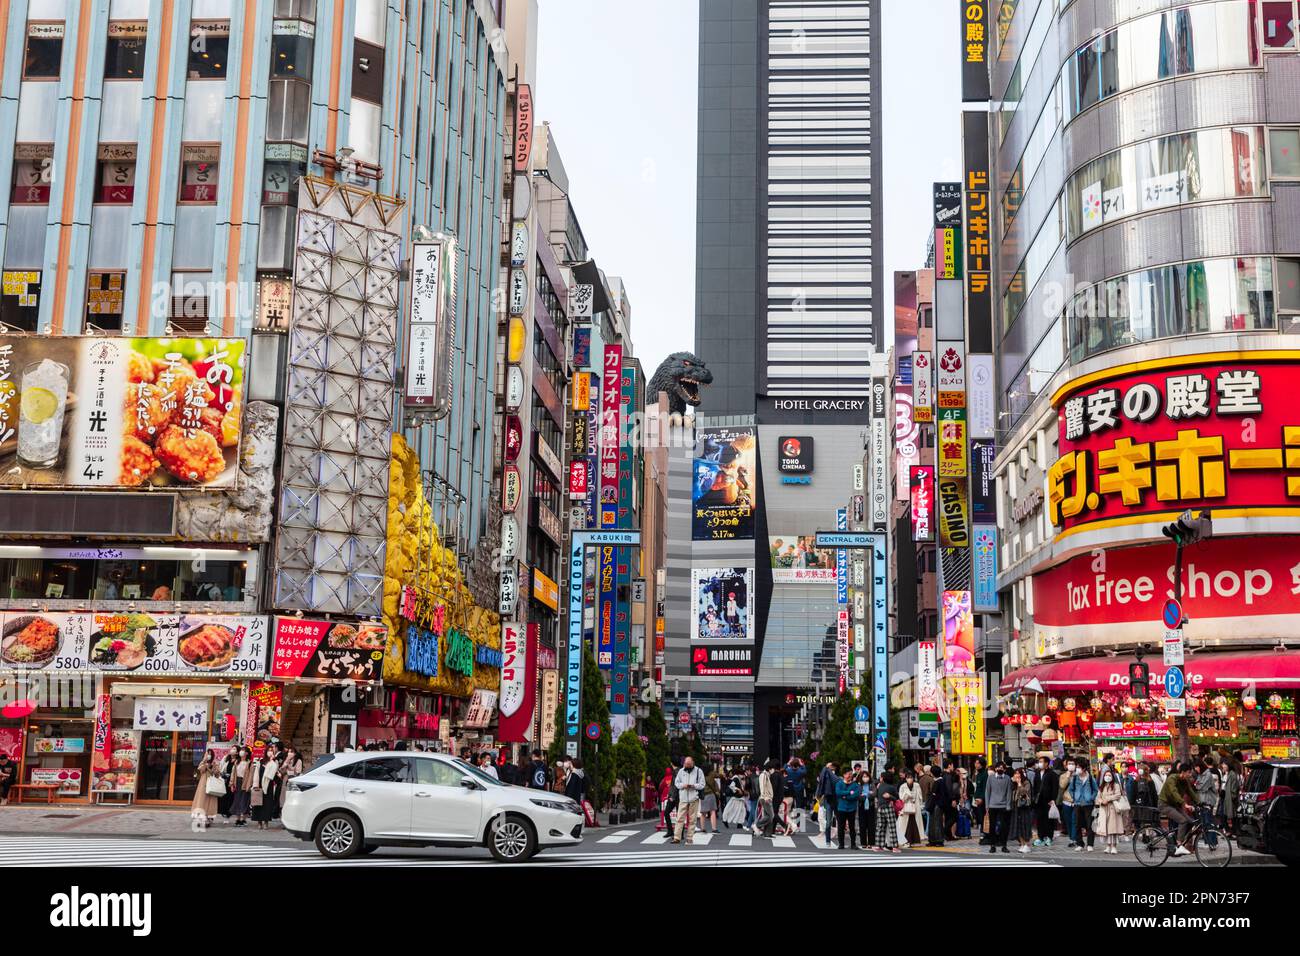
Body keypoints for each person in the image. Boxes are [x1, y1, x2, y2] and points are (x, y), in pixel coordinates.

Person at [1159, 761, 1198, 856]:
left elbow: (1191, 792)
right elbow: (1174, 792)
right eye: (1189, 772)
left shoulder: (1185, 781)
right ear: (1183, 772)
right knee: (1183, 821)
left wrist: (1200, 803)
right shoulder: (1172, 778)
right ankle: (1179, 845)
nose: (1190, 774)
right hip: (1165, 804)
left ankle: (1175, 841)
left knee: (1191, 822)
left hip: (1175, 805)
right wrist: (1184, 804)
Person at [673, 757, 705, 844]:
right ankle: (677, 837)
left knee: (692, 819)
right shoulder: (681, 771)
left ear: (693, 763)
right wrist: (683, 785)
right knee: (679, 818)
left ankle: (689, 838)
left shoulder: (699, 771)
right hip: (683, 798)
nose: (687, 766)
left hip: (694, 798)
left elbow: (702, 784)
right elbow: (676, 783)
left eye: (689, 764)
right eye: (686, 764)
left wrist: (693, 786)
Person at [1069, 759, 1098, 852]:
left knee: (1089, 825)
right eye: (1076, 767)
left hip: (1088, 804)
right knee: (1077, 824)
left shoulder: (1090, 778)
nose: (1077, 769)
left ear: (1084, 768)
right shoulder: (1074, 778)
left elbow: (1095, 790)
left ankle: (1090, 844)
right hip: (1077, 804)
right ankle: (1080, 843)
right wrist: (1074, 797)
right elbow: (1071, 789)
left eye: (1078, 767)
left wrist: (1091, 798)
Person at [1095, 767, 1126, 854]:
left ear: (1112, 777)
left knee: (1113, 828)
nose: (1107, 777)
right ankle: (1108, 846)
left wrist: (1107, 799)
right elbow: (1098, 797)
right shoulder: (1102, 786)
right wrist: (1101, 801)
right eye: (1106, 775)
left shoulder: (1116, 785)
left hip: (1113, 809)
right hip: (1104, 809)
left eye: (1109, 775)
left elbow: (1118, 795)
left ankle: (1114, 846)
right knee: (1106, 829)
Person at [251, 747, 281, 831]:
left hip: (269, 786)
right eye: (269, 750)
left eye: (272, 751)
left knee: (268, 805)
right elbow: (256, 773)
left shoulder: (274, 763)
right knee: (258, 804)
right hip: (260, 785)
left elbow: (275, 774)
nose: (270, 752)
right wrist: (255, 784)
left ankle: (266, 822)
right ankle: (259, 822)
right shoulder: (260, 762)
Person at [985, 761, 1012, 854]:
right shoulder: (990, 778)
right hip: (992, 805)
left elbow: (1009, 793)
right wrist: (987, 805)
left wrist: (1008, 805)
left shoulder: (1007, 778)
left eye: (1002, 767)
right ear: (995, 768)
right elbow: (987, 791)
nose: (1000, 769)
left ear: (1004, 769)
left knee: (1004, 827)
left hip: (1004, 806)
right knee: (992, 826)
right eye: (998, 767)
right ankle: (992, 845)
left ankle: (1004, 845)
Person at [874, 771, 901, 853]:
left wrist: (877, 788)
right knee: (892, 827)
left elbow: (875, 795)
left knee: (880, 827)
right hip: (888, 807)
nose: (880, 778)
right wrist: (890, 796)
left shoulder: (879, 786)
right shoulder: (892, 787)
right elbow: (897, 798)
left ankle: (879, 845)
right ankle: (894, 847)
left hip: (880, 808)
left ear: (884, 778)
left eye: (881, 777)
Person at [834, 768, 861, 849]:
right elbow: (838, 793)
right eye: (848, 774)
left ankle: (853, 844)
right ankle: (841, 844)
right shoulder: (839, 783)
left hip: (852, 808)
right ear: (844, 775)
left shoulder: (855, 785)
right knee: (841, 827)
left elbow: (856, 795)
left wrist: (844, 796)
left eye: (850, 773)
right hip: (841, 808)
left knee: (852, 827)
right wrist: (849, 792)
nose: (849, 775)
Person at [191, 750, 220, 827]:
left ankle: (208, 818)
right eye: (207, 754)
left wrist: (212, 767)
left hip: (212, 784)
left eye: (210, 754)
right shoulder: (203, 762)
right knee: (201, 800)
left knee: (210, 801)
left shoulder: (215, 763)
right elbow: (200, 770)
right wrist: (204, 761)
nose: (208, 755)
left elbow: (217, 773)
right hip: (203, 783)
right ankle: (200, 818)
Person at [1010, 767, 1035, 853]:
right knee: (1017, 826)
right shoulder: (1013, 783)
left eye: (1018, 773)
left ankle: (1027, 844)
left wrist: (1020, 784)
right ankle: (1022, 843)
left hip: (1024, 807)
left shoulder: (1026, 782)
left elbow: (1025, 792)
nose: (1017, 775)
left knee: (1025, 825)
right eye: (1015, 773)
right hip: (1016, 807)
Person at [228, 746, 254, 827]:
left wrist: (249, 785)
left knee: (244, 801)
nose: (241, 752)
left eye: (243, 750)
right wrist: (232, 784)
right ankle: (238, 818)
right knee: (237, 800)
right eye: (241, 750)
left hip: (245, 783)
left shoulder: (250, 763)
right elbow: (233, 773)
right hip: (237, 782)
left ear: (247, 753)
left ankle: (244, 819)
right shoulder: (237, 762)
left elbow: (251, 775)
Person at [925, 764, 950, 847]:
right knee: (934, 822)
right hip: (937, 805)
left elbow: (937, 795)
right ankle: (934, 840)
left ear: (933, 773)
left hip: (937, 805)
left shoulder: (938, 782)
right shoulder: (940, 781)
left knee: (936, 823)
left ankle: (938, 840)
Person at [815, 759, 838, 845]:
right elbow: (821, 781)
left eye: (830, 767)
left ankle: (837, 837)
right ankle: (827, 840)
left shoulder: (835, 777)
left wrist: (826, 768)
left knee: (835, 819)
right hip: (828, 800)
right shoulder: (825, 775)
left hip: (835, 800)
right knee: (827, 820)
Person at [898, 770, 924, 847]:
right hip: (906, 807)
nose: (910, 779)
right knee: (906, 823)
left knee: (915, 822)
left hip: (915, 807)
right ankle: (906, 840)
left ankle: (915, 840)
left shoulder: (917, 785)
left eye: (911, 777)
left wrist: (918, 802)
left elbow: (920, 796)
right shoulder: (903, 786)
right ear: (905, 778)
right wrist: (907, 795)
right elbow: (901, 798)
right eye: (908, 777)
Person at [1131, 762, 1160, 829]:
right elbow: (1134, 793)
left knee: (1147, 821)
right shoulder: (1136, 781)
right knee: (1140, 820)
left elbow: (1153, 794)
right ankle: (1141, 833)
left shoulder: (1150, 781)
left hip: (1147, 804)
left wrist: (1156, 805)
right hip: (1139, 804)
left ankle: (1146, 834)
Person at [279, 746, 304, 818]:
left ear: (295, 753)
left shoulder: (298, 761)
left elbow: (298, 772)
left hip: (293, 779)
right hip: (286, 779)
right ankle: (283, 816)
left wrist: (290, 768)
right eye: (289, 752)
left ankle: (291, 817)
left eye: (292, 752)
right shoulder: (286, 760)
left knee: (291, 798)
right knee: (283, 798)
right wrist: (286, 761)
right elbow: (281, 770)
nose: (290, 753)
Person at [753, 761, 776, 837]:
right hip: (765, 798)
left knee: (768, 815)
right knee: (771, 815)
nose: (774, 770)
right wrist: (765, 796)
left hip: (767, 797)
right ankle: (757, 825)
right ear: (769, 768)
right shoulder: (763, 775)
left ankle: (767, 833)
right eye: (773, 768)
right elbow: (762, 787)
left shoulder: (767, 775)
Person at [1059, 757, 1077, 847]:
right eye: (1069, 764)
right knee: (1068, 821)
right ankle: (1071, 837)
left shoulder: (1079, 774)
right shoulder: (1063, 776)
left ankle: (1073, 839)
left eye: (1072, 764)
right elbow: (1062, 786)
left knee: (1074, 820)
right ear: (1066, 765)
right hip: (1066, 801)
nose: (1071, 766)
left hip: (1077, 801)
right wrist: (1068, 775)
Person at [1220, 759, 1241, 835]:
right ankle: (1231, 831)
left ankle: (1232, 831)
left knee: (1231, 815)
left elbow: (1234, 788)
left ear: (1229, 765)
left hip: (1230, 798)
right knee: (1226, 815)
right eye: (1223, 765)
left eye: (1225, 765)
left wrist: (1232, 797)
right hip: (1226, 797)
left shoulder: (1232, 774)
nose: (1223, 766)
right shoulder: (1227, 774)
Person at [856, 769, 876, 848]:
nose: (865, 778)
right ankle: (863, 843)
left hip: (871, 806)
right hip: (861, 806)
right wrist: (867, 795)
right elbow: (858, 795)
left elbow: (874, 794)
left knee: (871, 825)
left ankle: (871, 843)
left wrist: (865, 795)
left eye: (867, 776)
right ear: (861, 777)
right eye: (864, 776)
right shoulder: (859, 785)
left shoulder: (872, 784)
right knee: (862, 825)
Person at [699, 764, 720, 833]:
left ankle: (702, 828)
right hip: (711, 794)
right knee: (712, 811)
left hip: (703, 795)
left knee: (703, 813)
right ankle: (714, 828)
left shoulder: (700, 774)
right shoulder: (711, 774)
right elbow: (719, 775)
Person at [973, 757, 988, 841]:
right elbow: (978, 788)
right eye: (975, 763)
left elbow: (984, 788)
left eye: (977, 763)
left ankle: (985, 833)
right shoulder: (978, 774)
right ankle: (982, 832)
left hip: (983, 800)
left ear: (982, 764)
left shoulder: (984, 774)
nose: (976, 764)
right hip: (978, 799)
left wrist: (981, 798)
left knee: (983, 817)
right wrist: (975, 797)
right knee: (980, 817)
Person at [656, 766, 675, 831]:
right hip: (673, 795)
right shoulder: (674, 778)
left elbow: (660, 787)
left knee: (664, 810)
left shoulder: (664, 779)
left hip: (664, 796)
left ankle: (663, 822)